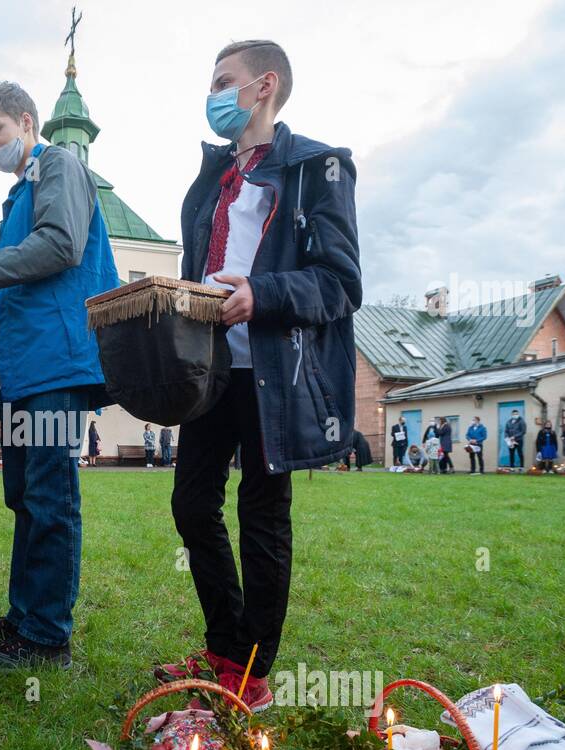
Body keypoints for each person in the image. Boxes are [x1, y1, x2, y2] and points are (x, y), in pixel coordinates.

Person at [154, 39, 361, 711]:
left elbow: (339, 282)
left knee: (262, 515)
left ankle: (251, 674)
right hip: (209, 369)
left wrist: (263, 293)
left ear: (264, 85)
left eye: (224, 81)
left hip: (274, 371)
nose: (213, 93)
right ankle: (225, 647)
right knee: (191, 503)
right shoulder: (212, 177)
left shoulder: (317, 167)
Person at [0, 80, 119, 671]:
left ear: (28, 122)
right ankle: (23, 615)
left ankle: (47, 639)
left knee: (50, 497)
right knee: (23, 496)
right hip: (22, 367)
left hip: (57, 360)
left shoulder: (59, 166)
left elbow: (61, 245)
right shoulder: (16, 198)